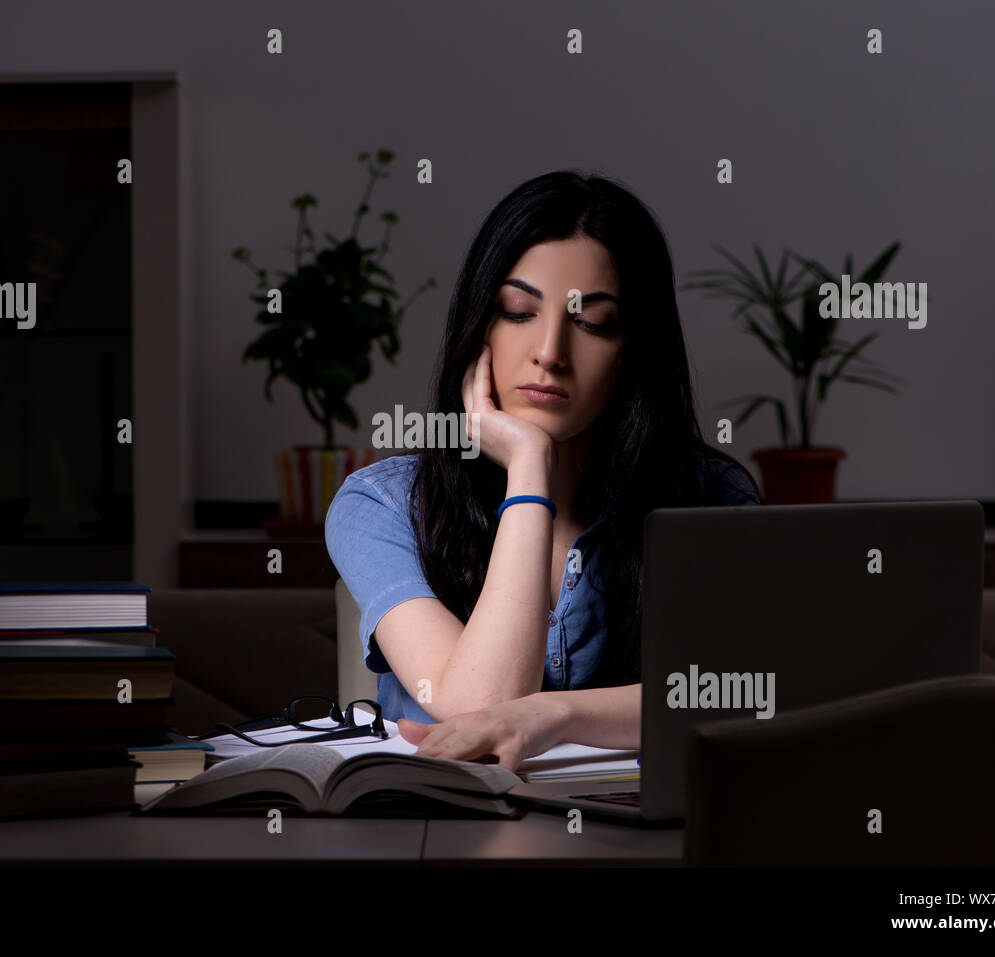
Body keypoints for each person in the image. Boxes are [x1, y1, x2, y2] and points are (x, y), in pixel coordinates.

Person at [323, 170, 762, 771]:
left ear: (634, 348)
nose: (550, 352)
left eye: (593, 322)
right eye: (518, 310)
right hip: (440, 840)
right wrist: (528, 468)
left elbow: (735, 695)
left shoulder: (711, 500)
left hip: (641, 840)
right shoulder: (381, 505)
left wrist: (554, 715)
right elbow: (478, 705)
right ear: (480, 324)